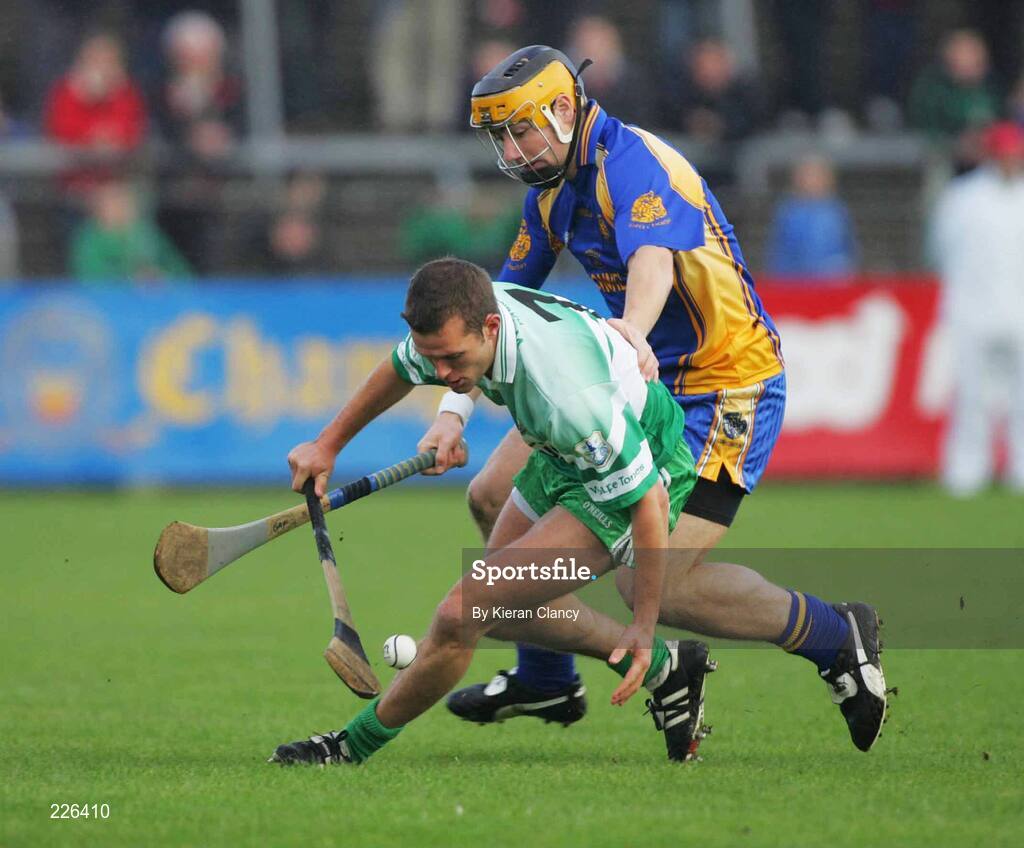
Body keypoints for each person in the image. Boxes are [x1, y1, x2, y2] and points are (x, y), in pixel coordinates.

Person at [421, 45, 887, 752]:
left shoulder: (635, 163)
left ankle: (834, 635)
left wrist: (627, 337)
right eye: (501, 137)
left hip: (724, 384)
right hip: (635, 379)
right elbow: (493, 307)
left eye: (521, 130)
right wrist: (452, 413)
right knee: (490, 493)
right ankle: (545, 676)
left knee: (655, 583)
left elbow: (652, 263)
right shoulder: (547, 193)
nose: (512, 149)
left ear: (565, 109)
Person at [274, 259, 714, 764]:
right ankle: (668, 670)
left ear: (491, 329)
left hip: (638, 465)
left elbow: (649, 502)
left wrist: (643, 621)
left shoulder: (565, 394)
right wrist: (328, 445)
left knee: (462, 613)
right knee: (500, 613)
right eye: (432, 358)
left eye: (453, 360)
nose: (442, 373)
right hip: (559, 453)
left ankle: (350, 746)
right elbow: (400, 368)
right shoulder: (467, 315)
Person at [930, 121, 1024, 496]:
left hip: (1019, 310)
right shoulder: (962, 198)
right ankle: (966, 471)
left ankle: (1020, 469)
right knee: (971, 395)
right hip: (971, 309)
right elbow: (940, 250)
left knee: (1021, 397)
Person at [70, 180, 192, 284]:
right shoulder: (90, 241)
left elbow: (179, 269)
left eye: (124, 203)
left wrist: (164, 278)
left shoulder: (146, 234)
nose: (120, 209)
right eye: (112, 204)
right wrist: (131, 281)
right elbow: (91, 278)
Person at [766, 154, 858, 278]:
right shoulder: (788, 212)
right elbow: (778, 252)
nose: (812, 181)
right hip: (794, 282)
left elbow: (849, 249)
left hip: (832, 281)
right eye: (807, 176)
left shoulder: (837, 211)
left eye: (816, 176)